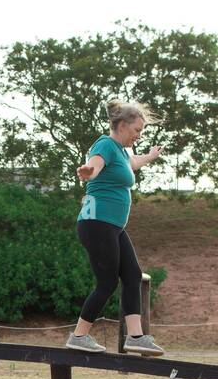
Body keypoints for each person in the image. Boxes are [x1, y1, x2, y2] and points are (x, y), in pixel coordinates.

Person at [67, 99, 165, 356]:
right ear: (121, 125)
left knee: (133, 276)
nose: (139, 136)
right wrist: (89, 171)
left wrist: (151, 157)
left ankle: (136, 337)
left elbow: (132, 164)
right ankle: (78, 336)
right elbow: (96, 163)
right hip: (97, 223)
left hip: (113, 227)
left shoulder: (122, 152)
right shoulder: (105, 145)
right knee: (107, 282)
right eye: (137, 130)